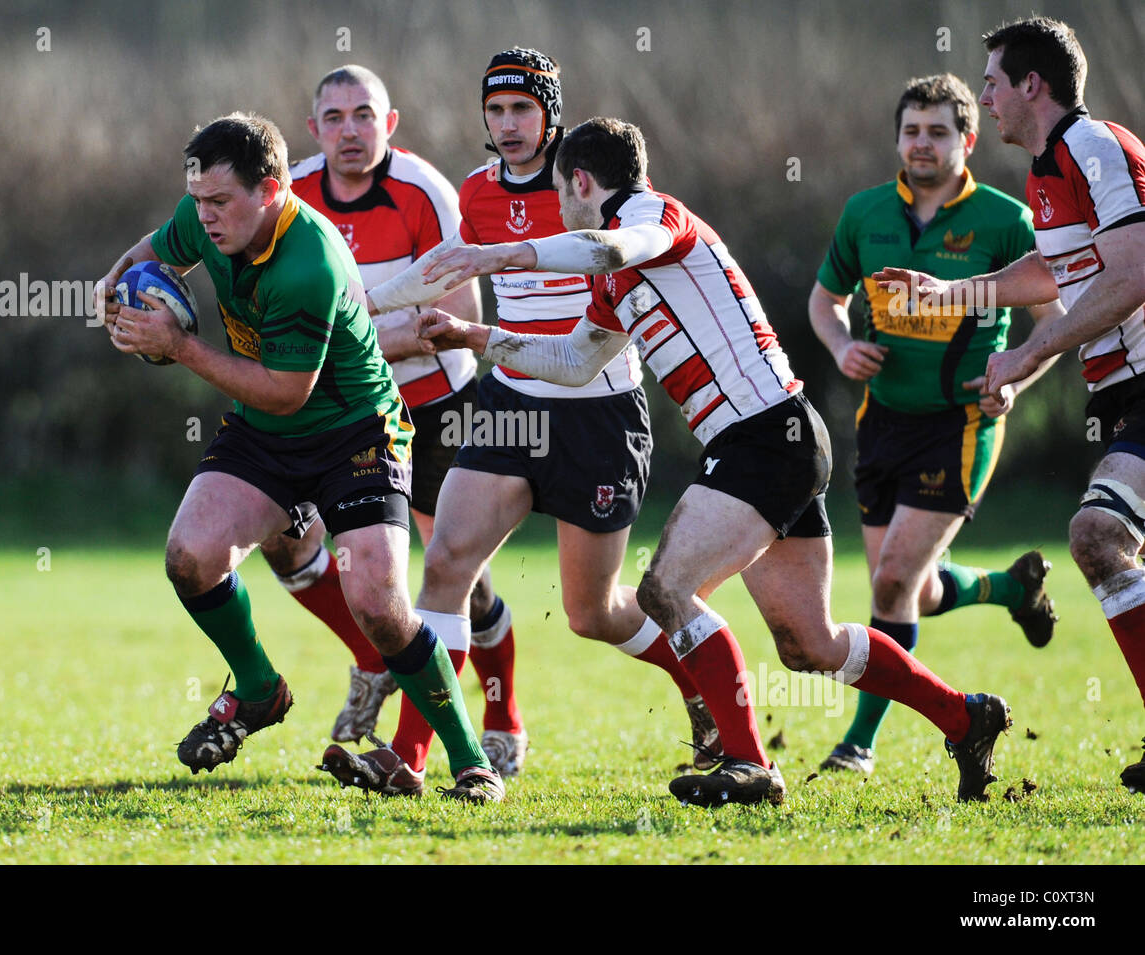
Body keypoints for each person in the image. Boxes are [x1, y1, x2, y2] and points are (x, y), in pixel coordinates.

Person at [418, 116, 1014, 806]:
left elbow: (612, 244)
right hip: (775, 441)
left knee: (665, 589)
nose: (558, 205)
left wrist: (497, 257)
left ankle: (748, 762)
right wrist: (474, 333)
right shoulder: (612, 279)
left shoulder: (653, 217)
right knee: (809, 644)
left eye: (560, 192)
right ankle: (966, 717)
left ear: (581, 181)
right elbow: (575, 361)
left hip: (766, 436)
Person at [319, 49, 719, 797]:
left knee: (592, 612)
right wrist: (360, 307)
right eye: (495, 111)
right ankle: (416, 758)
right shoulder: (476, 189)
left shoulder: (598, 188)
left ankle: (701, 685)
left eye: (521, 110)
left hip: (597, 415)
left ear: (551, 114)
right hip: (509, 407)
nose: (506, 126)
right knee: (444, 567)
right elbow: (447, 263)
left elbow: (602, 303)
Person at [93, 111, 503, 802]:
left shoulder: (308, 260)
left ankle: (471, 761)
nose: (206, 216)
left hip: (355, 432)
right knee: (189, 558)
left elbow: (288, 392)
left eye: (221, 202)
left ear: (274, 190)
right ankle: (258, 691)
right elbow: (154, 249)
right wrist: (116, 290)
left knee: (378, 600)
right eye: (198, 199)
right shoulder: (206, 218)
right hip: (266, 431)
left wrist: (181, 346)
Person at [879, 16, 1145, 794]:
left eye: (992, 82)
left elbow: (1132, 272)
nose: (985, 97)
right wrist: (951, 293)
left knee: (1097, 536)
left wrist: (1028, 353)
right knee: (1105, 540)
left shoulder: (1095, 148)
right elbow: (1053, 270)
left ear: (1033, 85)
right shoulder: (1047, 168)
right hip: (1128, 397)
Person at [808, 73, 1063, 777]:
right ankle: (1011, 589)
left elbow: (1058, 317)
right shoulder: (865, 213)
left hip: (960, 425)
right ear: (898, 138)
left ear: (967, 139)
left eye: (938, 131)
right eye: (912, 130)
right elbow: (823, 301)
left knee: (890, 583)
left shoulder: (1006, 220)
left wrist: (1016, 370)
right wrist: (841, 346)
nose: (922, 144)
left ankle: (858, 743)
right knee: (911, 589)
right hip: (882, 420)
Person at [258, 65, 502, 756]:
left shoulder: (426, 192)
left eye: (364, 115)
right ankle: (372, 657)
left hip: (433, 405)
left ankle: (503, 713)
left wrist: (338, 345)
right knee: (281, 535)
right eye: (333, 118)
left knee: (456, 575)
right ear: (313, 130)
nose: (349, 132)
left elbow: (455, 319)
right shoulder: (290, 194)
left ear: (389, 124)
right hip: (336, 413)